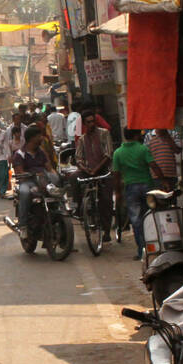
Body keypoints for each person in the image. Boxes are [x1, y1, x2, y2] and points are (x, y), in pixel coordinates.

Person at [112, 132, 159, 261]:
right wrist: (163, 180)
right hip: (146, 186)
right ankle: (154, 248)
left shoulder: (118, 153)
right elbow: (153, 165)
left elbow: (116, 175)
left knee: (136, 221)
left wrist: (118, 192)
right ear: (136, 135)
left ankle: (141, 251)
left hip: (130, 188)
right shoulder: (143, 149)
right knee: (150, 217)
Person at [75, 106, 116, 238]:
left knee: (106, 200)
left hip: (104, 171)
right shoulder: (82, 139)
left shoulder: (104, 133)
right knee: (73, 179)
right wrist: (84, 168)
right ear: (84, 124)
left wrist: (96, 169)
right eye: (88, 122)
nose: (91, 124)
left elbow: (108, 154)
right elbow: (78, 158)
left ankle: (107, 230)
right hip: (89, 172)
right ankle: (79, 208)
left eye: (93, 121)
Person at [10, 124, 55, 236]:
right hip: (27, 182)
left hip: (43, 181)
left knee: (56, 191)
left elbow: (49, 168)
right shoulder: (19, 154)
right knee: (25, 193)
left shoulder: (41, 152)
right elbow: (19, 172)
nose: (41, 138)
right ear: (31, 138)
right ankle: (23, 226)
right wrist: (32, 174)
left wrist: (55, 177)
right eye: (39, 136)